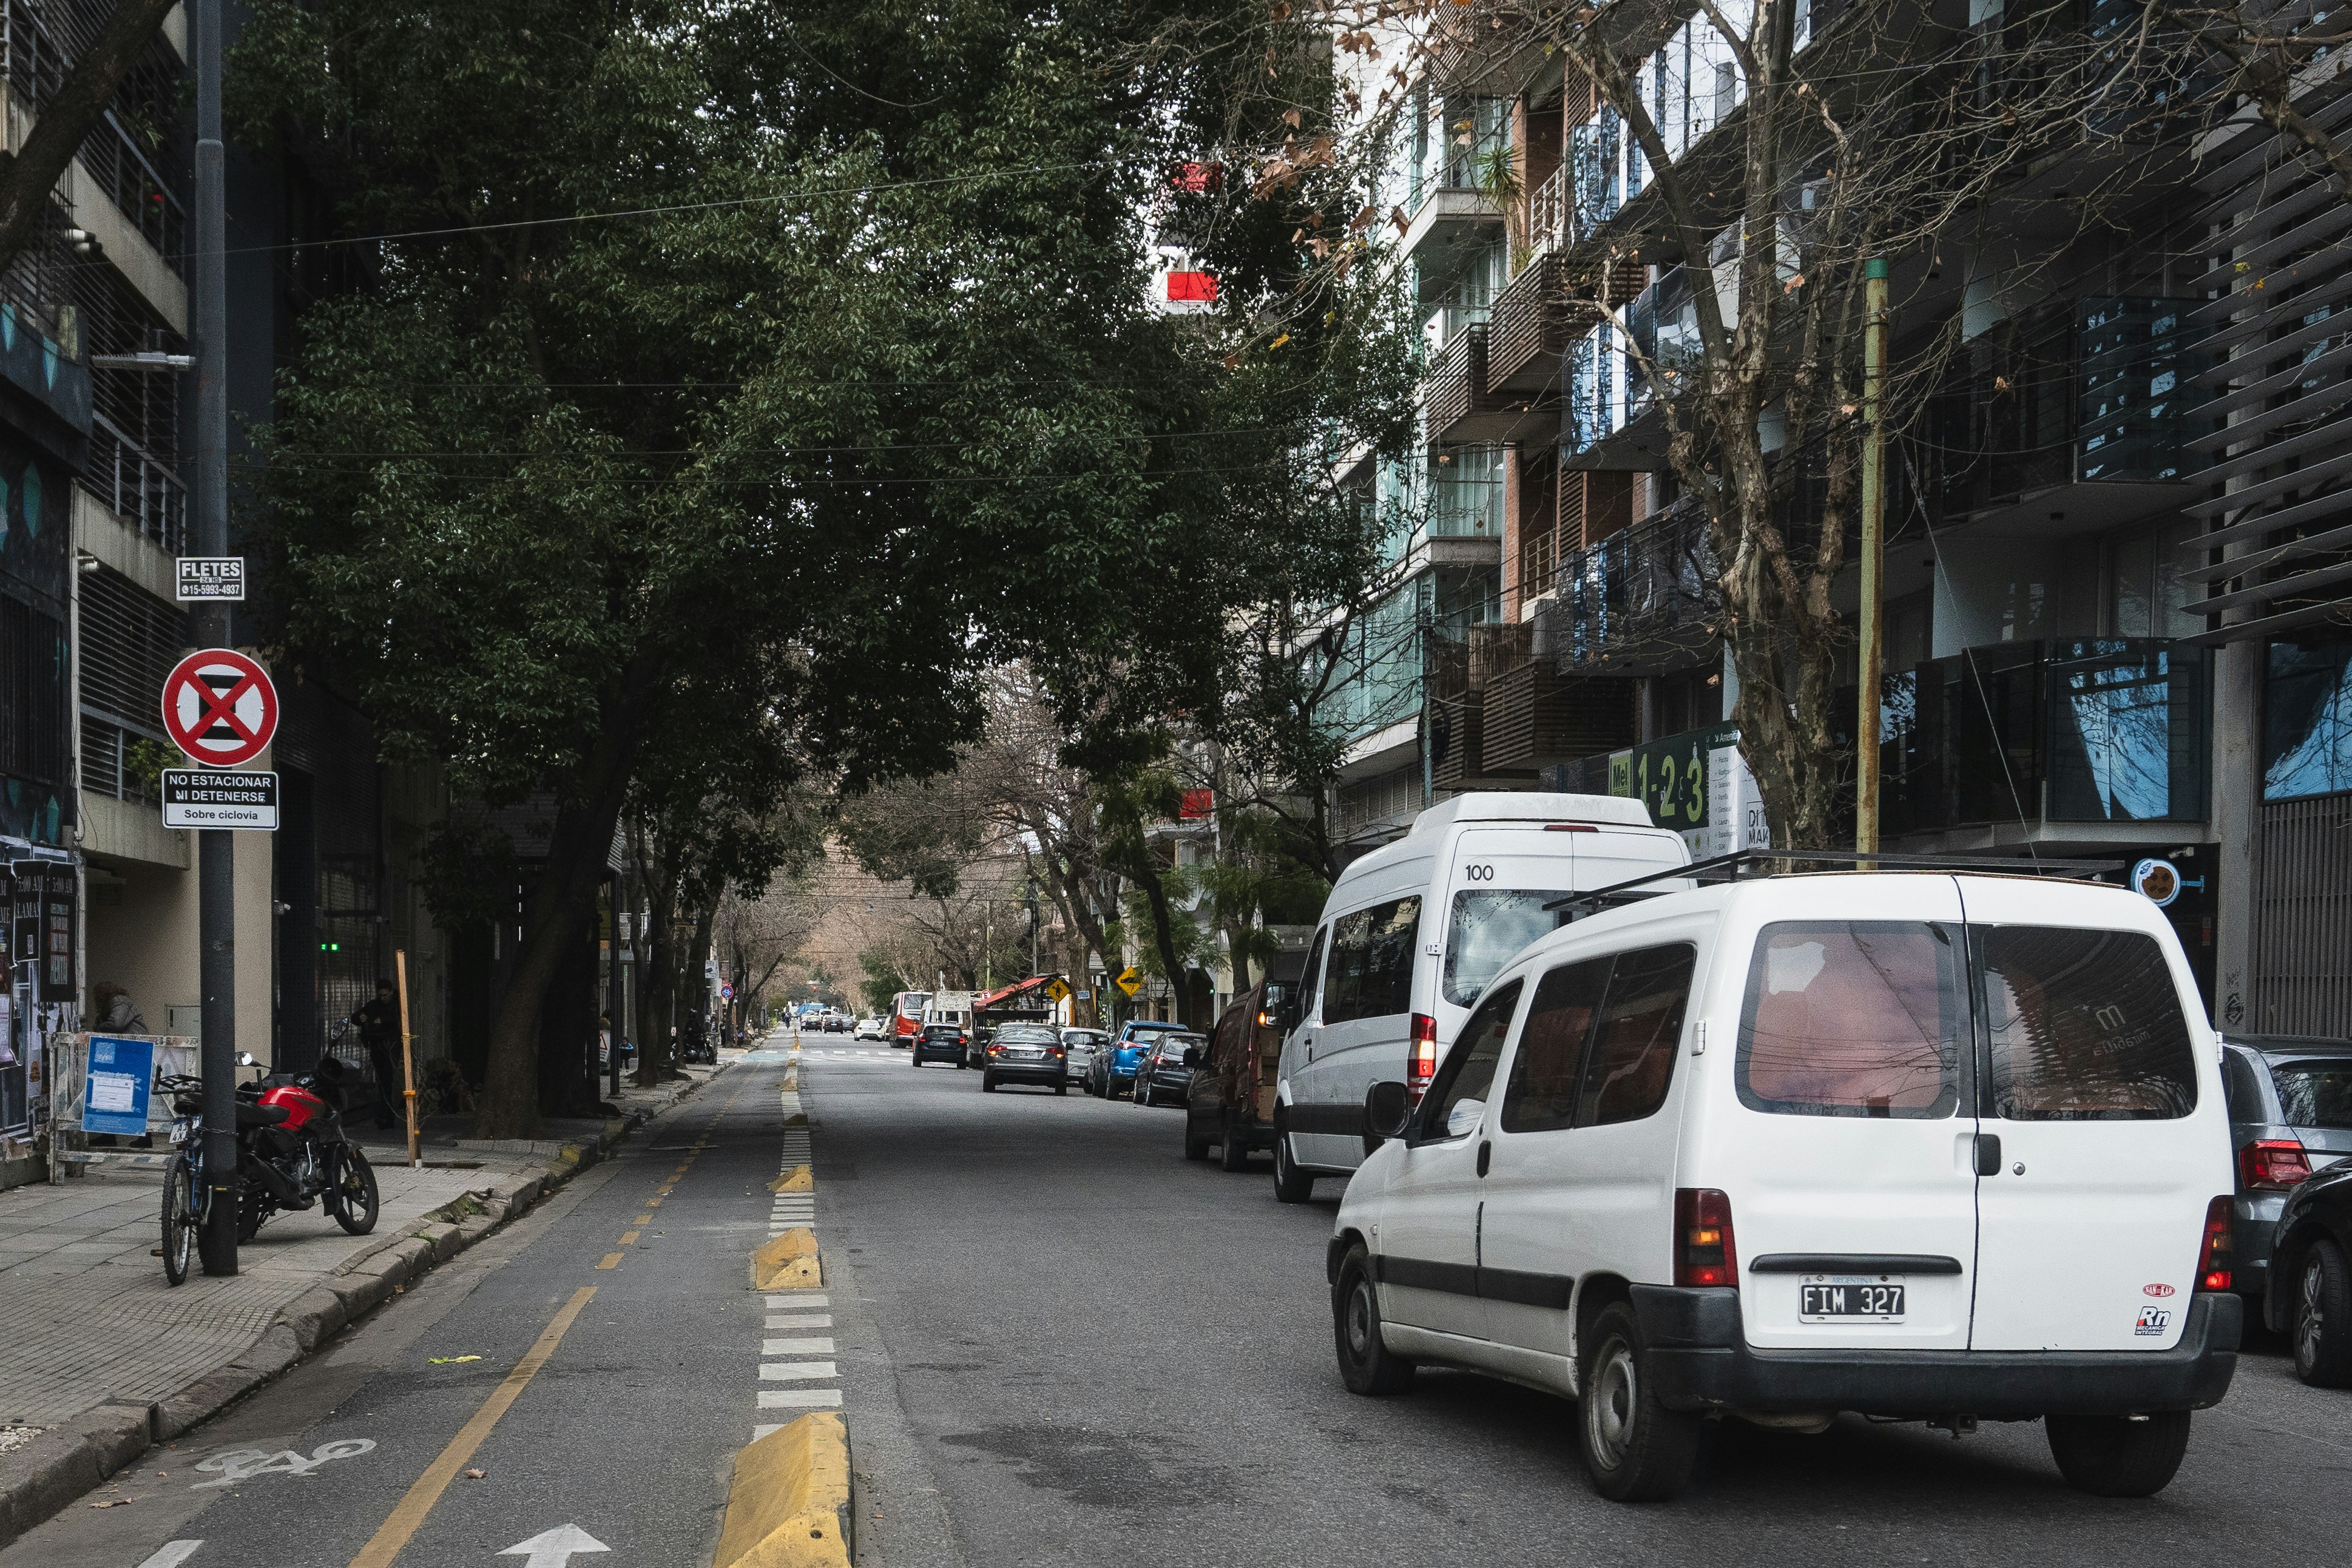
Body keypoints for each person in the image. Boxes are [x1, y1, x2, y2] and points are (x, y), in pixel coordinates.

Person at [348, 980, 403, 1130]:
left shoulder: (397, 1005)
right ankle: (385, 1115)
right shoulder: (374, 1005)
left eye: (385, 995)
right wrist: (363, 1018)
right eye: (381, 995)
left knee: (387, 1082)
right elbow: (356, 1018)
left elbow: (397, 1020)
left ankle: (386, 1115)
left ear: (391, 992)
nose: (383, 998)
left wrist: (381, 1021)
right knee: (383, 1082)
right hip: (378, 1047)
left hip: (391, 1048)